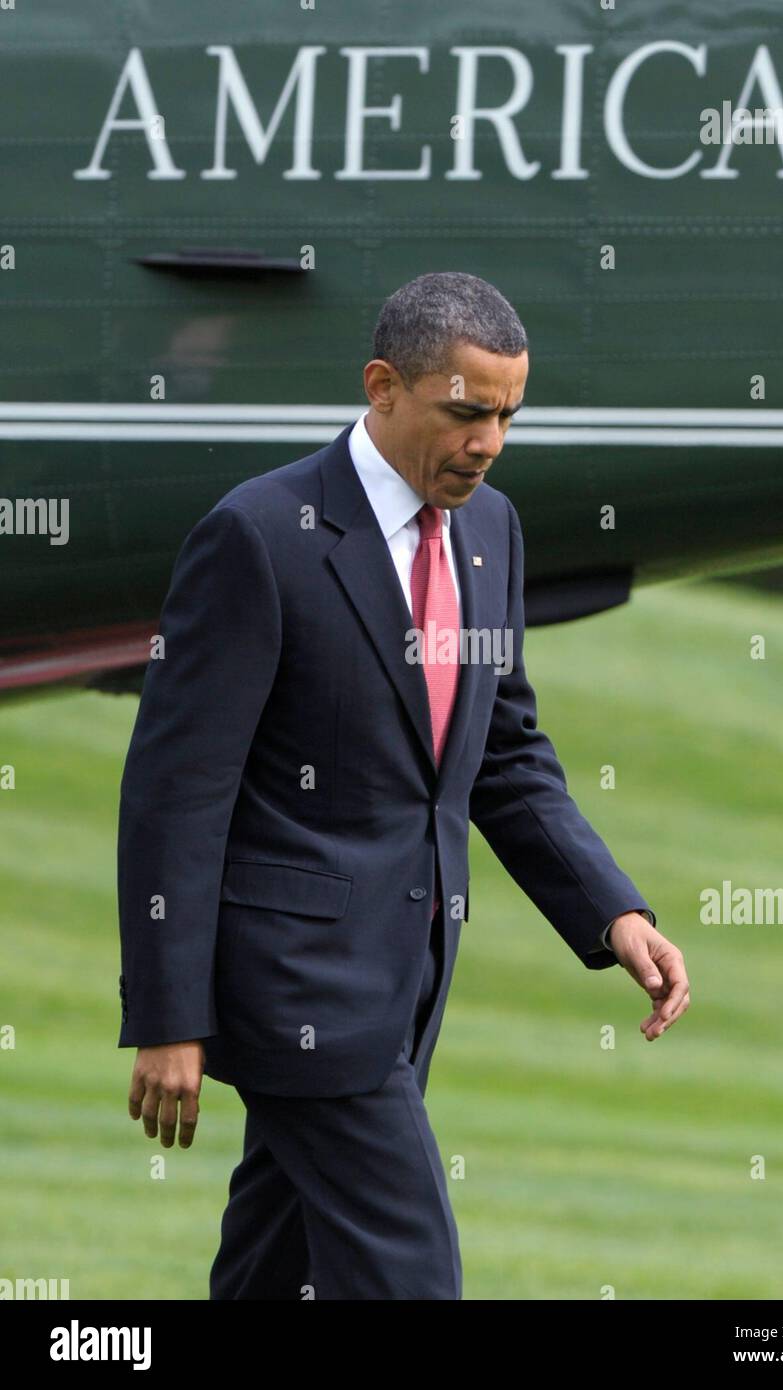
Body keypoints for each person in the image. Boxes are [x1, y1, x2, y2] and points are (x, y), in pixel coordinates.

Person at [116, 271, 690, 1300]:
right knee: (411, 1276)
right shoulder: (258, 536)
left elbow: (504, 753)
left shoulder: (491, 532)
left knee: (271, 1268)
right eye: (466, 413)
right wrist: (169, 1015)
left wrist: (612, 911)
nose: (489, 442)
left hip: (408, 986)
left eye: (508, 415)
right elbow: (176, 793)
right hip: (295, 988)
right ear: (383, 386)